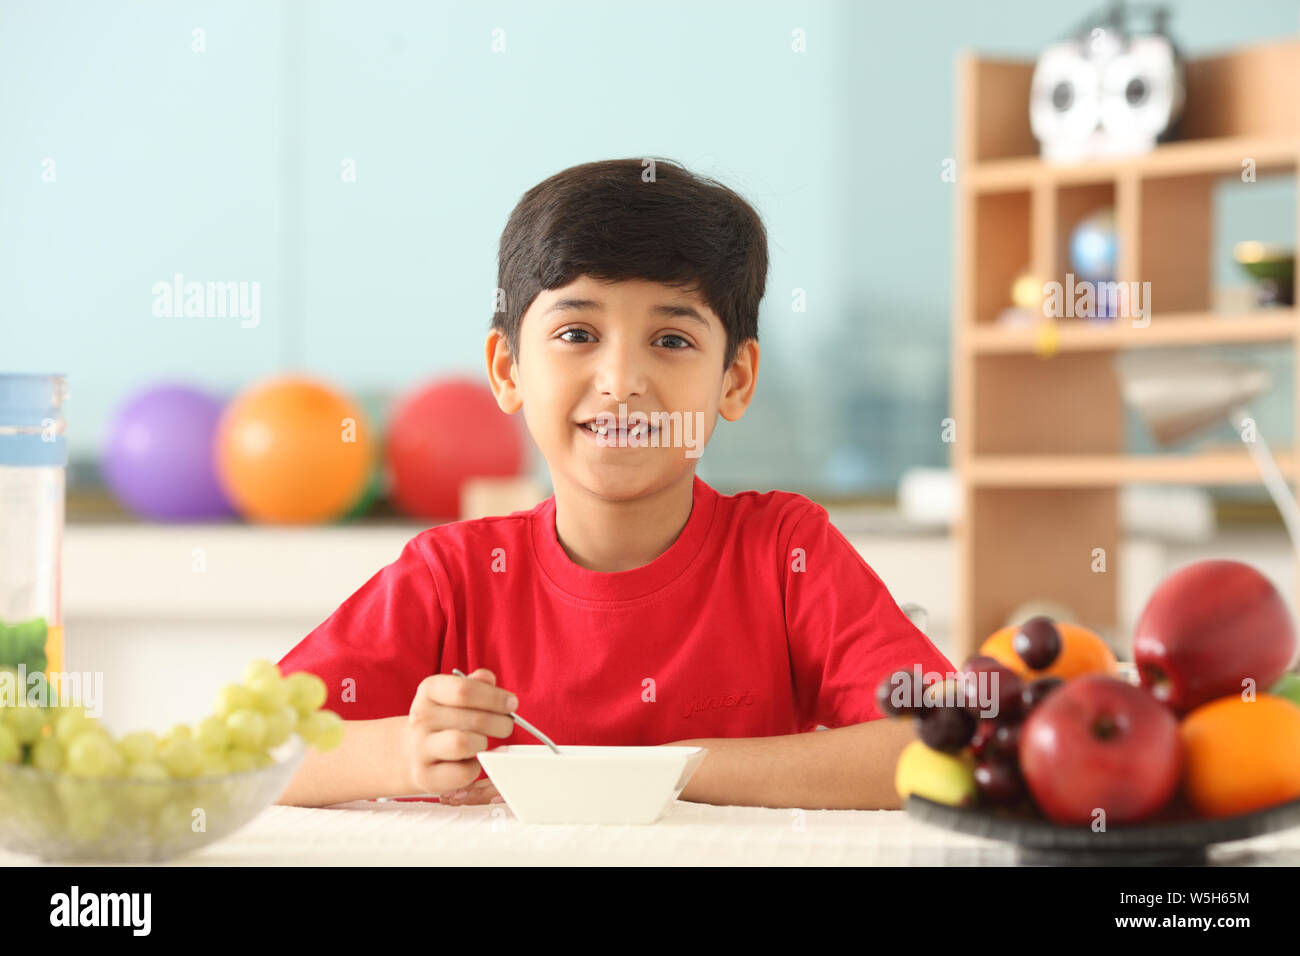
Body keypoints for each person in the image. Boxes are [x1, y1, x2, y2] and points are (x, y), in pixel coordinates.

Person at [276, 157, 954, 810]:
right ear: (508, 369)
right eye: (577, 332)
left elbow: (940, 744)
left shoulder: (784, 553)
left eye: (672, 340)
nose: (622, 380)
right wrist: (401, 750)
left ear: (737, 379)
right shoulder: (449, 577)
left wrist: (674, 770)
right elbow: (254, 752)